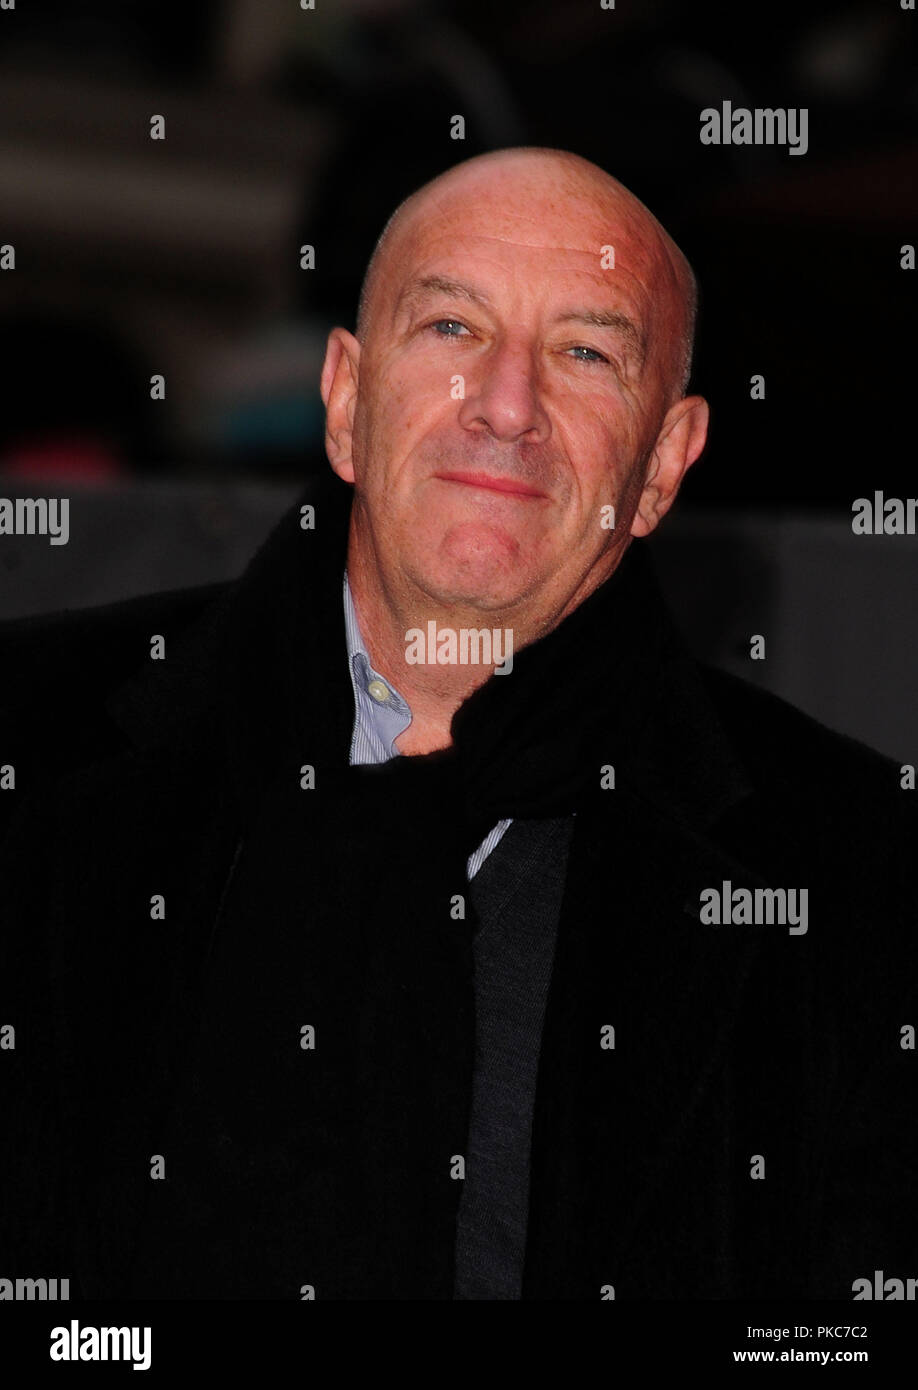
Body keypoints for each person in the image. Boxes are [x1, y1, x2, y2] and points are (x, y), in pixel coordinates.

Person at [1, 148, 915, 1301]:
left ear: (663, 466)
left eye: (586, 352)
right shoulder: (30, 741)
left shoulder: (862, 875)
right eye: (451, 329)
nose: (507, 405)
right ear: (344, 398)